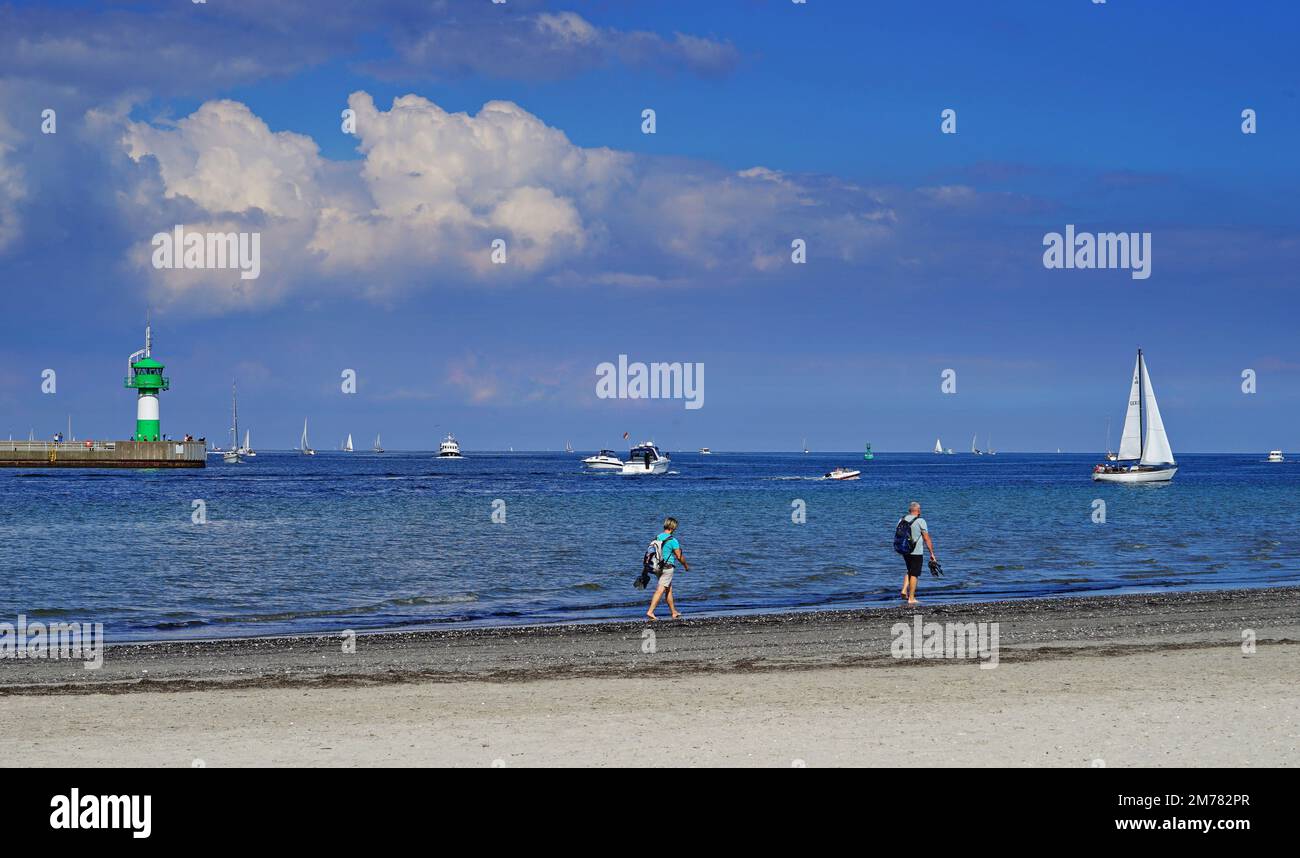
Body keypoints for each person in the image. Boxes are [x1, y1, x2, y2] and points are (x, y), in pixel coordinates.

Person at [647, 517, 688, 620]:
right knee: (660, 589)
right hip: (667, 568)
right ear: (673, 527)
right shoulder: (673, 540)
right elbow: (679, 557)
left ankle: (673, 612)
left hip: (656, 566)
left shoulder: (657, 537)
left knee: (668, 589)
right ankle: (650, 611)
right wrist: (686, 566)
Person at [898, 501, 936, 605]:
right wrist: (932, 553)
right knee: (914, 573)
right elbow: (926, 538)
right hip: (916, 551)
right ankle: (911, 598)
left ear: (909, 510)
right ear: (918, 511)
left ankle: (904, 590)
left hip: (904, 550)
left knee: (909, 570)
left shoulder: (902, 519)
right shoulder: (921, 521)